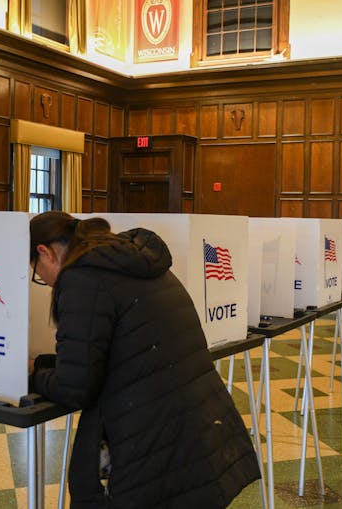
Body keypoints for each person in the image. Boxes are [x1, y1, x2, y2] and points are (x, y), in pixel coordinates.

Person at [28, 211, 261, 509]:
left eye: (38, 273)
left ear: (45, 252)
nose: (46, 283)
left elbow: (75, 387)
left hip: (152, 439)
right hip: (199, 428)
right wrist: (45, 364)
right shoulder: (134, 260)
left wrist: (33, 377)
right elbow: (120, 351)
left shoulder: (81, 278)